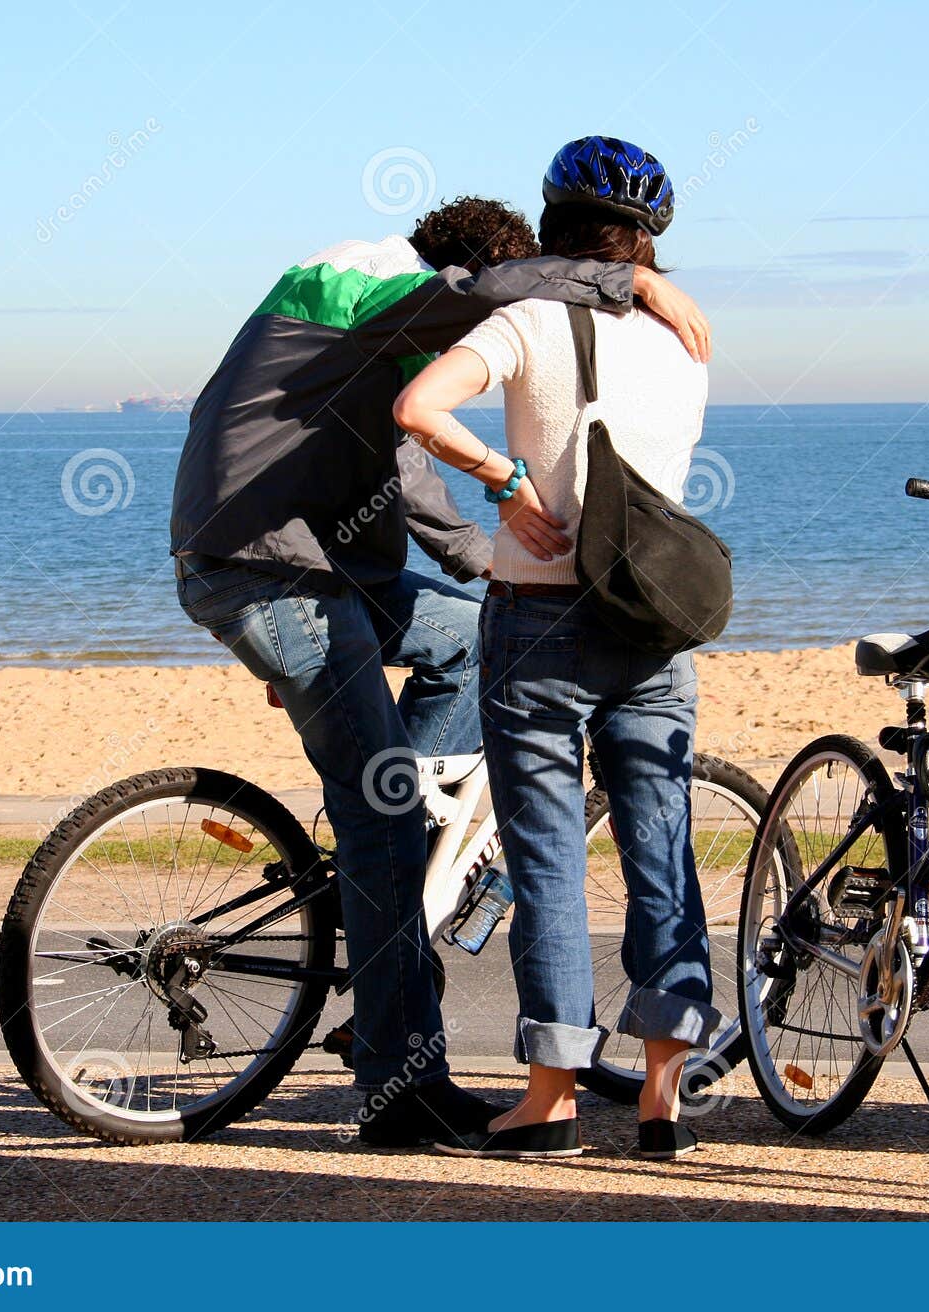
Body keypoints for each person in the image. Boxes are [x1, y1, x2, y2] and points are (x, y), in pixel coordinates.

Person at [169, 194, 711, 1148]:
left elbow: (422, 500)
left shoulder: (374, 333)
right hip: (269, 570)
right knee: (379, 816)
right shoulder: (367, 284)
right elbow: (481, 310)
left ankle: (409, 824)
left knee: (467, 638)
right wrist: (622, 278)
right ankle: (400, 1086)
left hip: (324, 574)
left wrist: (520, 568)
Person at [392, 139, 716, 1161]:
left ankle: (552, 1099)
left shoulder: (528, 319)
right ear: (648, 240)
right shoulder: (685, 334)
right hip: (654, 624)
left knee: (547, 861)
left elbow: (416, 408)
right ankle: (663, 1099)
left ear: (550, 225)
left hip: (539, 620)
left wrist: (504, 480)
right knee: (660, 851)